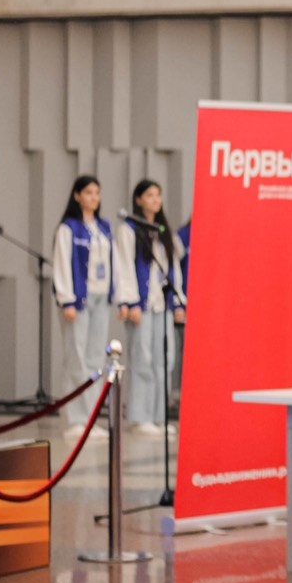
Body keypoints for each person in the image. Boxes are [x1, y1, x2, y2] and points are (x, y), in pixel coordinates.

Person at [114, 179, 185, 435]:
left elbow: (173, 268)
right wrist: (130, 301)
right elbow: (123, 267)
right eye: (150, 195)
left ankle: (159, 415)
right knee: (142, 359)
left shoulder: (164, 230)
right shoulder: (129, 229)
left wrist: (178, 301)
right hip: (141, 306)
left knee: (164, 359)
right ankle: (139, 416)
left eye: (159, 195)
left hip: (162, 305)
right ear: (139, 199)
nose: (156, 200)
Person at [51, 175, 114, 438]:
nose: (93, 198)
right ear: (77, 196)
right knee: (75, 358)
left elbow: (114, 264)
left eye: (97, 193)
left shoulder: (104, 227)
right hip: (78, 300)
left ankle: (90, 419)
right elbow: (62, 264)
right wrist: (67, 299)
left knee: (95, 359)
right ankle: (75, 420)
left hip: (101, 299)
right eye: (88, 193)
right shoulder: (69, 228)